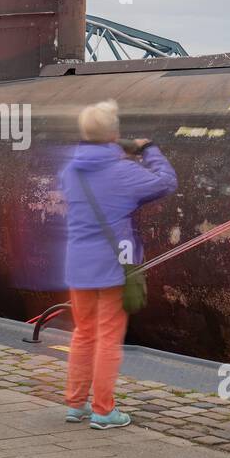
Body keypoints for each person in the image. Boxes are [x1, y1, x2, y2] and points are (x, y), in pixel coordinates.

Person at [58, 100, 176, 430]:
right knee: (108, 337)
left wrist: (111, 148)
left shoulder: (70, 171)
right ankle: (104, 410)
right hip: (114, 263)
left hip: (78, 264)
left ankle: (76, 403)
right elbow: (167, 182)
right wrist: (148, 149)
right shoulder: (123, 172)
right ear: (114, 133)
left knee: (83, 334)